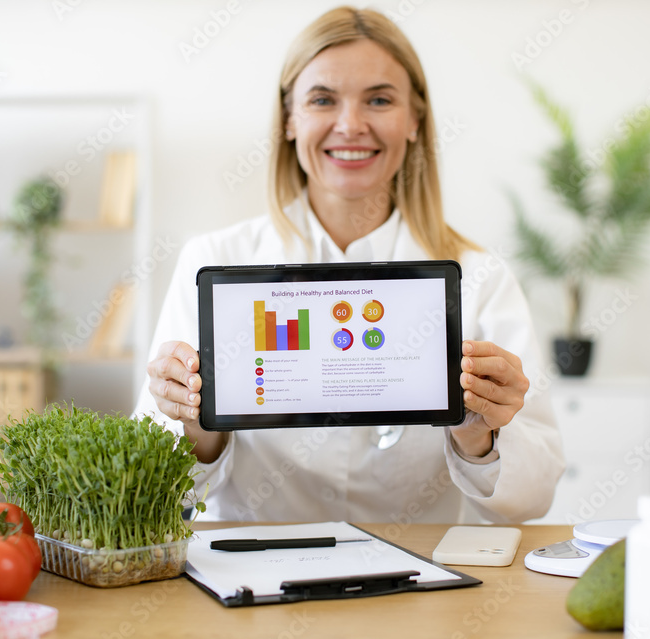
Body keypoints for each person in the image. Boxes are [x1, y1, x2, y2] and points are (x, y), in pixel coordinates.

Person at [133, 6, 564, 524]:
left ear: (414, 121)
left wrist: (479, 433)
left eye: (379, 99)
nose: (351, 125)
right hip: (252, 587)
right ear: (289, 119)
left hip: (416, 588)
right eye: (322, 99)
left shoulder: (480, 277)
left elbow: (532, 499)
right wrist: (198, 426)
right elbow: (150, 493)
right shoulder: (216, 261)